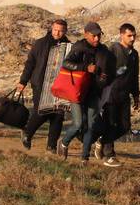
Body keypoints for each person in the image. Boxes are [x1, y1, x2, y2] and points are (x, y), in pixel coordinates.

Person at [57, 22, 111, 160]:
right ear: (86, 34)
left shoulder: (103, 50)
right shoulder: (79, 47)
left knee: (91, 125)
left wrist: (104, 76)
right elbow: (66, 63)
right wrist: (85, 67)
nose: (97, 39)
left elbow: (107, 69)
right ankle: (64, 143)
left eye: (99, 35)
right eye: (94, 36)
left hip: (94, 92)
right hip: (78, 91)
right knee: (78, 124)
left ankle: (84, 157)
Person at [17, 19, 70, 152]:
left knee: (58, 115)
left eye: (61, 30)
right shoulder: (41, 43)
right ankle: (27, 133)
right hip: (40, 83)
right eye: (55, 29)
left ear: (65, 31)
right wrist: (23, 81)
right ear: (52, 29)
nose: (57, 32)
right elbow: (30, 64)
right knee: (42, 112)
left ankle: (51, 146)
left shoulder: (68, 46)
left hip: (59, 86)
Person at [99, 23, 140, 167]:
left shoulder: (134, 54)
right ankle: (109, 155)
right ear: (122, 35)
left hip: (124, 95)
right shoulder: (114, 49)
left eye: (134, 35)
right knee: (110, 124)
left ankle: (102, 142)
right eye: (129, 35)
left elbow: (135, 76)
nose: (132, 38)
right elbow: (103, 68)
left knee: (124, 126)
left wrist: (136, 95)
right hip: (111, 93)